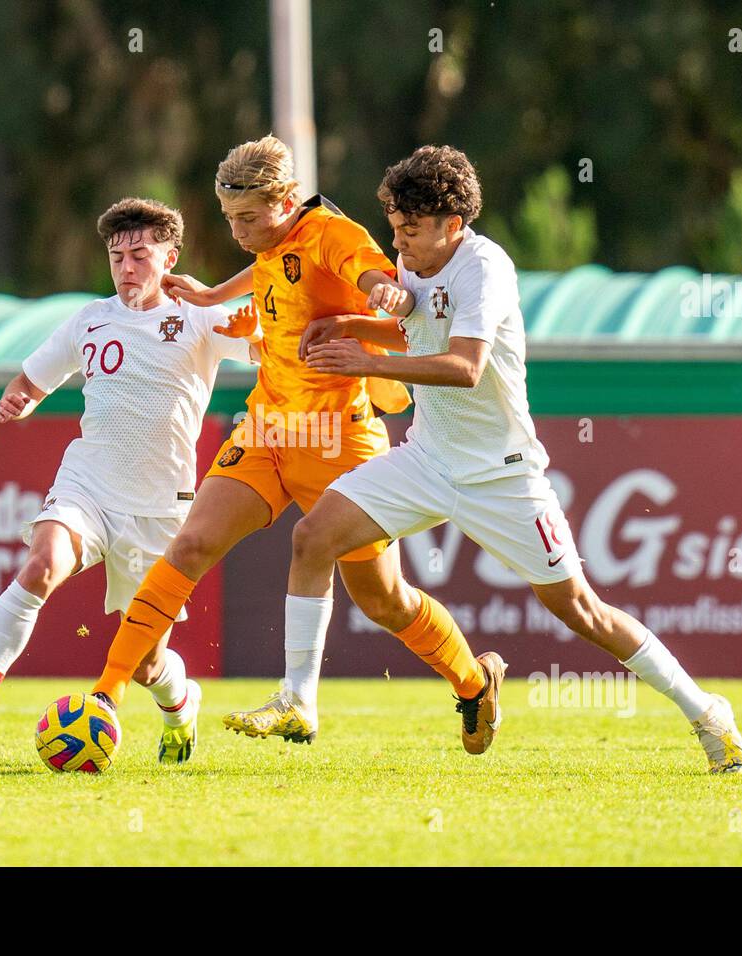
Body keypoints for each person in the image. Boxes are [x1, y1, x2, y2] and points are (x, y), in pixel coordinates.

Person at [290, 145, 742, 772]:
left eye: (410, 229)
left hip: (503, 476)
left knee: (581, 611)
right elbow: (416, 330)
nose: (399, 243)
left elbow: (464, 365)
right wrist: (350, 325)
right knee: (313, 536)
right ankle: (298, 702)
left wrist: (365, 362)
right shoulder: (414, 258)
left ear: (453, 224)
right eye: (394, 228)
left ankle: (705, 710)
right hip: (426, 459)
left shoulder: (486, 267)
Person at [87, 134, 506, 757]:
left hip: (340, 438)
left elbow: (368, 273)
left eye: (249, 218)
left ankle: (474, 681)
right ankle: (105, 696)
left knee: (385, 601)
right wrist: (209, 296)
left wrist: (384, 292)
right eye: (230, 219)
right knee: (193, 543)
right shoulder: (270, 240)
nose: (239, 231)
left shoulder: (333, 234)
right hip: (267, 429)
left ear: (287, 200)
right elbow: (264, 267)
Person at [0, 197, 258, 764]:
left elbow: (264, 347)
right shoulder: (91, 318)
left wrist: (264, 333)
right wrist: (19, 400)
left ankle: (180, 705)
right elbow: (31, 380)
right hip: (89, 485)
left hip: (160, 507)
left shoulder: (200, 313)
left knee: (150, 662)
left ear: (169, 256)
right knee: (40, 566)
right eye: (116, 257)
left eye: (139, 255)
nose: (126, 268)